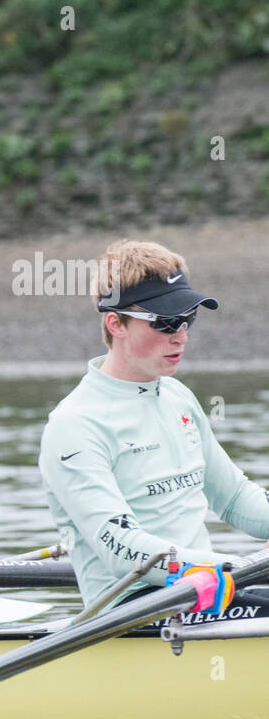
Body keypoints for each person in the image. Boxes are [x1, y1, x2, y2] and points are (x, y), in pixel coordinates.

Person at [39, 239, 269, 622]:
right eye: (165, 321)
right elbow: (123, 552)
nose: (181, 335)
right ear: (116, 324)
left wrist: (230, 570)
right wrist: (237, 566)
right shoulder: (75, 426)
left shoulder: (177, 396)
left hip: (204, 589)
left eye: (187, 318)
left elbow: (233, 499)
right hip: (133, 609)